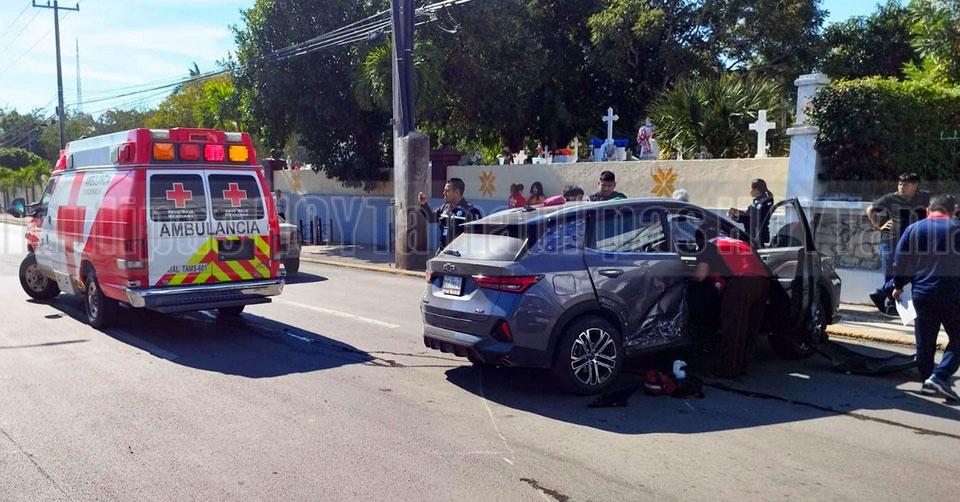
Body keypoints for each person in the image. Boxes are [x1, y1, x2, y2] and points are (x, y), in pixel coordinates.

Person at [892, 195, 960, 400]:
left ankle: (928, 380)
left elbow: (900, 260)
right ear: (950, 211)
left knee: (925, 340)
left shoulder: (914, 229)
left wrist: (898, 286)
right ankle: (939, 376)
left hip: (921, 293)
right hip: (952, 294)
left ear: (930, 210)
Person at [693, 233, 771, 377]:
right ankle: (743, 366)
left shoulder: (709, 246)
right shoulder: (737, 242)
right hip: (763, 281)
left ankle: (727, 369)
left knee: (733, 325)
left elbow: (700, 275)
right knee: (750, 327)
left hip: (742, 282)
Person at [867, 173, 932, 315]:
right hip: (891, 240)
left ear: (915, 185)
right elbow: (870, 209)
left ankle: (881, 293)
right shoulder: (891, 198)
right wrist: (879, 225)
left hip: (913, 243)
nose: (901, 187)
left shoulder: (924, 197)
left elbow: (936, 207)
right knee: (890, 273)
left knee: (914, 271)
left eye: (906, 184)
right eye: (900, 184)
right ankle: (891, 305)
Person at [418, 178, 483, 254]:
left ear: (457, 192)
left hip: (460, 254)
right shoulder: (445, 207)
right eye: (444, 190)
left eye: (447, 191)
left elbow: (478, 235)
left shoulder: (471, 211)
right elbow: (431, 218)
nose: (443, 193)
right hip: (442, 251)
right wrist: (424, 205)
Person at [728, 179, 774, 245]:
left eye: (752, 189)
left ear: (756, 190)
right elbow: (748, 216)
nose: (751, 191)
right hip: (751, 233)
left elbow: (754, 217)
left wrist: (738, 214)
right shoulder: (757, 202)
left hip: (757, 235)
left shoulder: (765, 202)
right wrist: (735, 215)